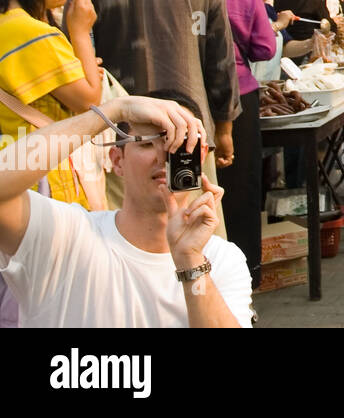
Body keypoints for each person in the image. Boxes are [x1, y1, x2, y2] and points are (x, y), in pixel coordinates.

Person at [0, 93, 252, 327]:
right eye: (147, 143)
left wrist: (191, 261)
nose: (164, 155)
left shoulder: (222, 259)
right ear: (117, 160)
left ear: (200, 157)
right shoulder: (65, 235)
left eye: (181, 141)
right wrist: (114, 110)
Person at [69, 0, 239, 221]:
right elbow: (220, 60)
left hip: (121, 139)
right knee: (192, 224)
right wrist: (224, 129)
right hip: (187, 128)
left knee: (129, 233)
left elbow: (77, 60)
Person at [177, 0, 276, 288]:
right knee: (242, 190)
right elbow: (265, 49)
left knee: (191, 191)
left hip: (186, 101)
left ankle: (198, 273)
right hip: (239, 100)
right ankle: (246, 276)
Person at [0, 0, 104, 206]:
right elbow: (89, 101)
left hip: (13, 163)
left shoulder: (7, 25)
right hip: (46, 175)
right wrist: (80, 31)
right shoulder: (34, 33)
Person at [239, 0, 293, 84]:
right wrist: (279, 24)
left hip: (271, 88)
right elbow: (253, 41)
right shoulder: (238, 11)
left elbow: (286, 48)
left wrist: (312, 42)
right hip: (248, 87)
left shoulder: (268, 9)